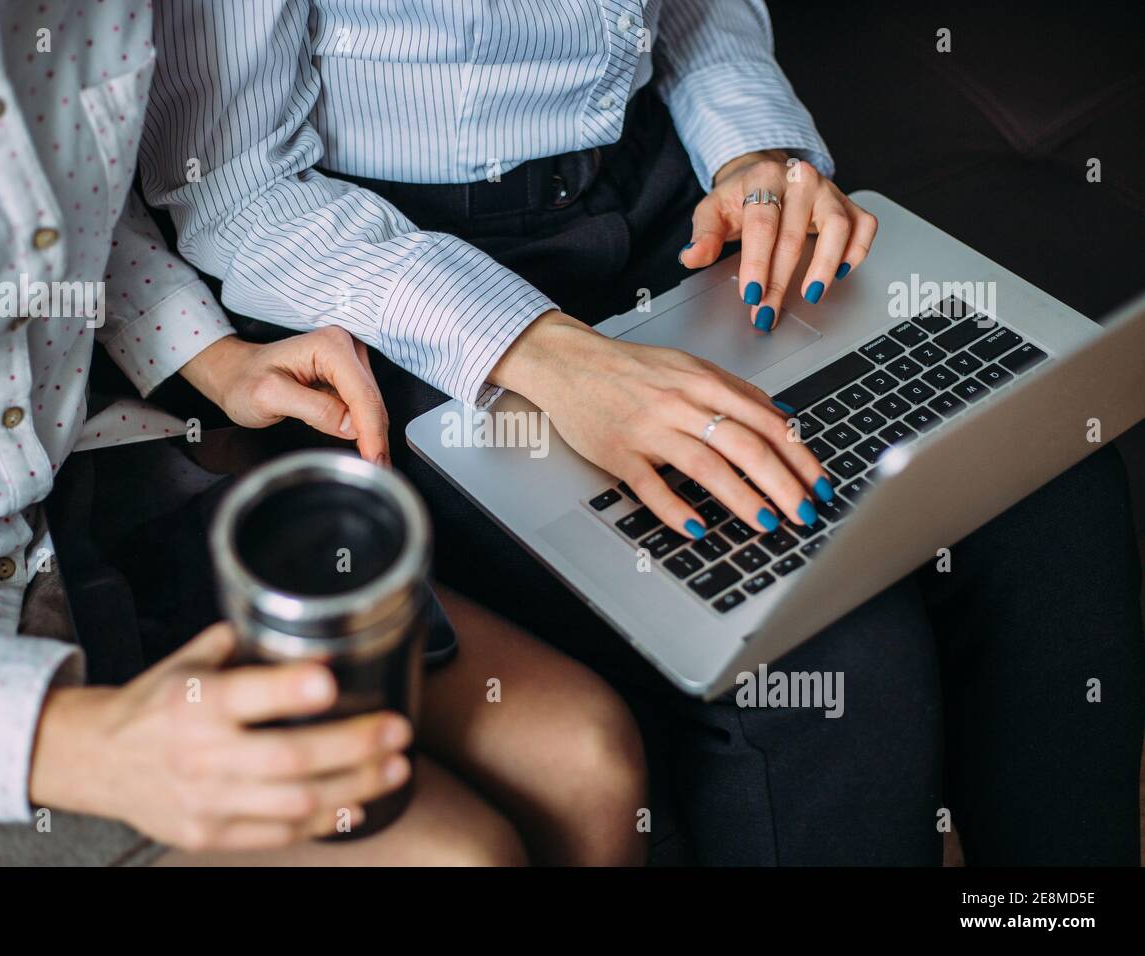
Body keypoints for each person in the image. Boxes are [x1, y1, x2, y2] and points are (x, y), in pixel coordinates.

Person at [141, 0, 1144, 864]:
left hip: (664, 182)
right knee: (824, 661)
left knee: (1049, 490)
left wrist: (755, 150)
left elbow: (690, 17)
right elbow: (234, 186)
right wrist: (545, 351)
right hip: (384, 266)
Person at [0, 0, 647, 867]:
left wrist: (206, 352)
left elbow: (51, 200)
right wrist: (74, 743)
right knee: (455, 855)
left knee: (589, 761)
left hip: (89, 492)